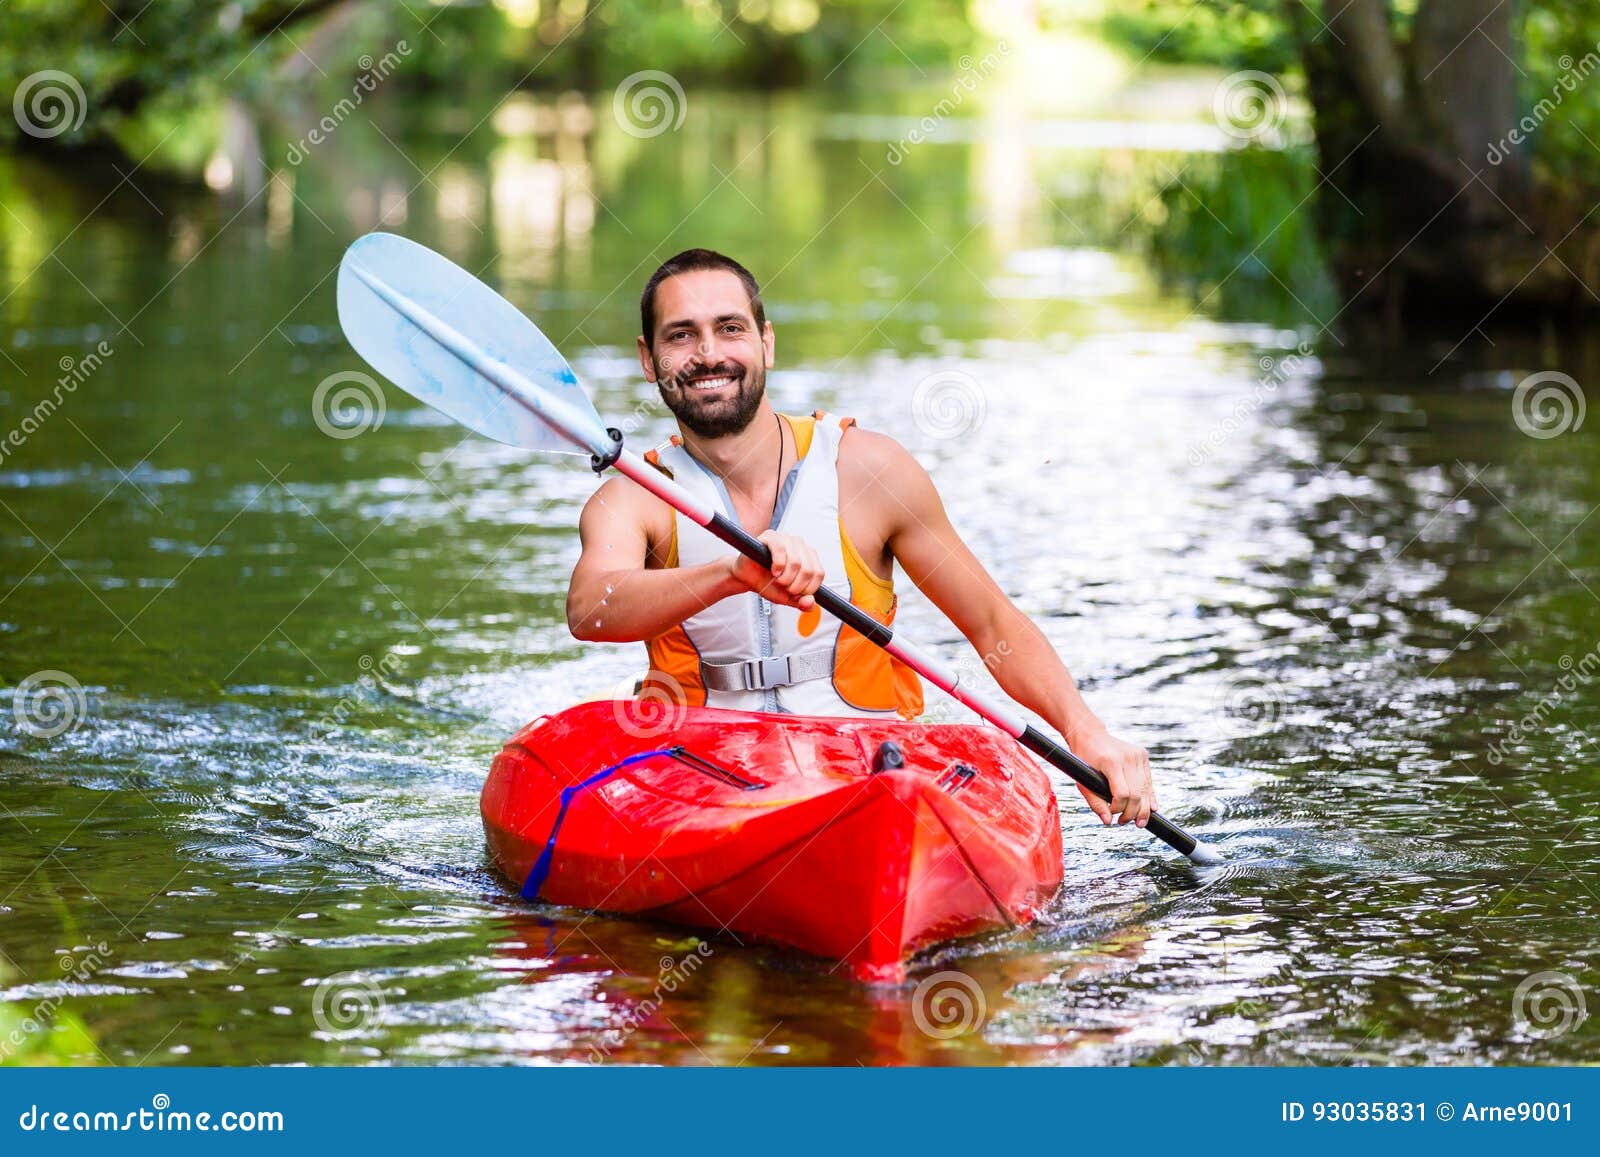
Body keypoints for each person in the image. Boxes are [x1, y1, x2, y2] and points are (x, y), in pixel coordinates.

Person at [566, 249, 1157, 828]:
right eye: (681, 336)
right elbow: (591, 610)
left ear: (766, 341)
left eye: (729, 328)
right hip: (706, 775)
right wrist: (729, 575)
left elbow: (992, 625)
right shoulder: (634, 496)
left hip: (869, 770)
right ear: (648, 359)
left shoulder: (871, 472)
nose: (709, 353)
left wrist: (1086, 733)